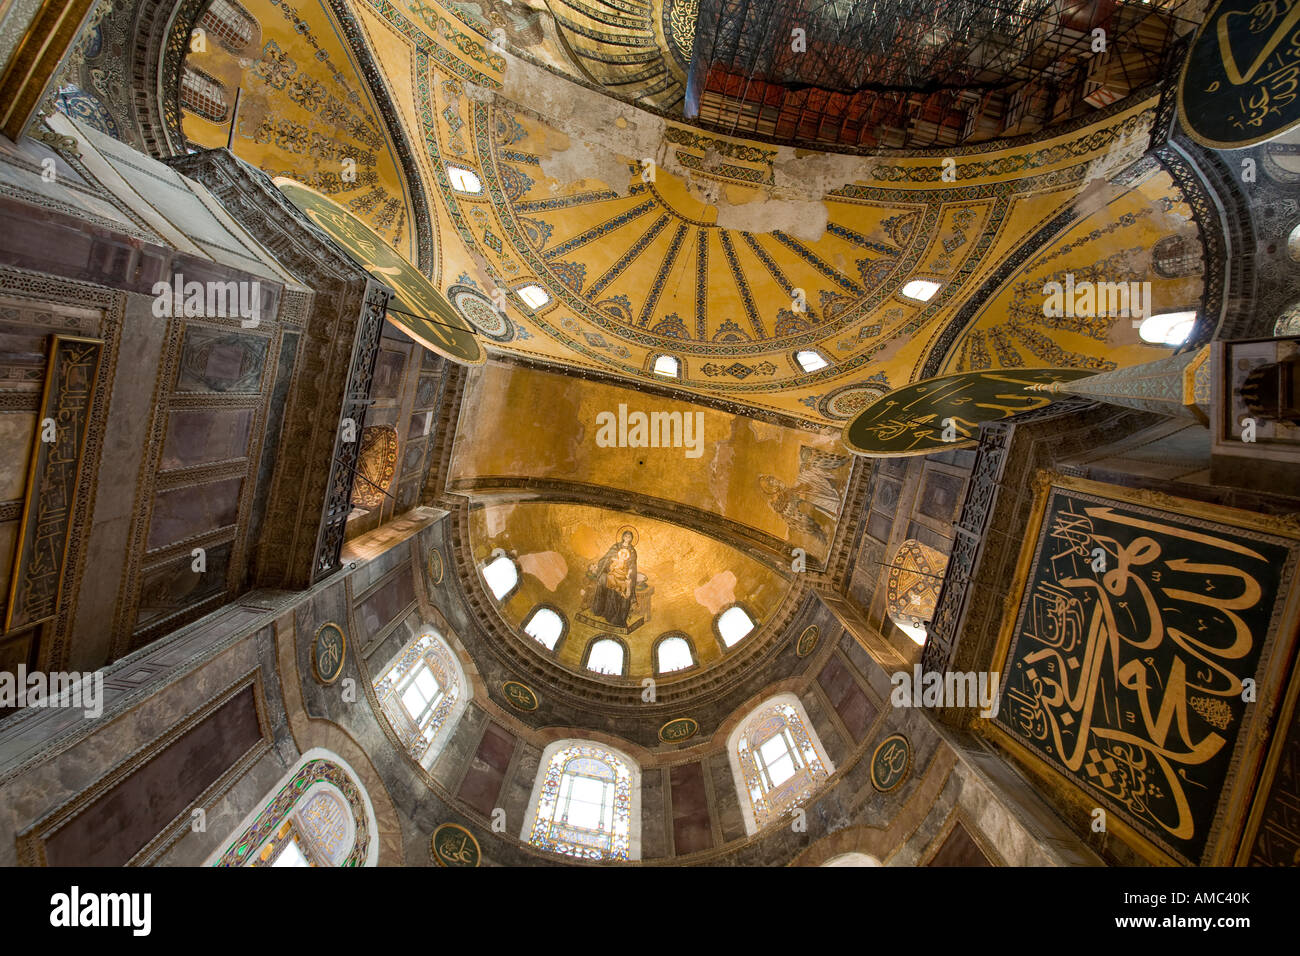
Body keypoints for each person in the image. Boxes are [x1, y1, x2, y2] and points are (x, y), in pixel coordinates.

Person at [587, 531, 637, 627]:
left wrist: (626, 570)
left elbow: (632, 565)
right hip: (613, 572)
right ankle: (599, 609)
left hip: (623, 574)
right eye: (625, 536)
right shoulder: (616, 546)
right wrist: (613, 563)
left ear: (631, 539)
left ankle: (613, 615)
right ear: (623, 537)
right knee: (603, 579)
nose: (627, 538)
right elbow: (607, 558)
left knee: (620, 586)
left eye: (629, 536)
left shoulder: (632, 551)